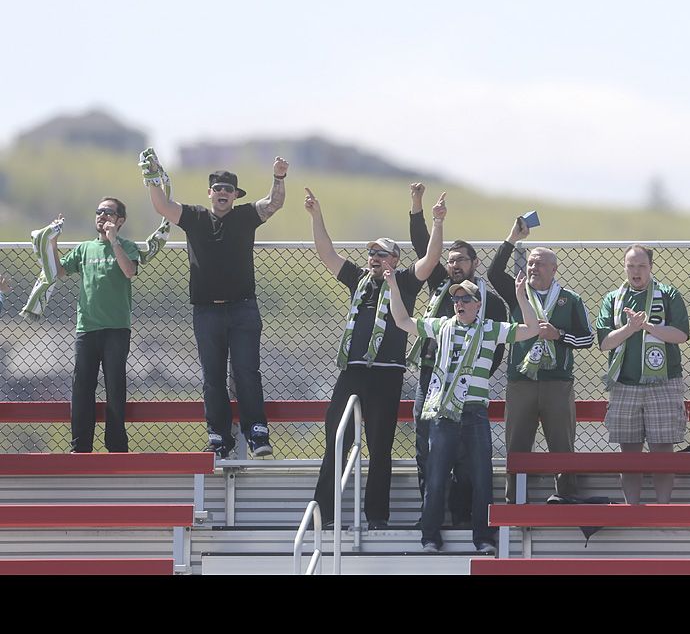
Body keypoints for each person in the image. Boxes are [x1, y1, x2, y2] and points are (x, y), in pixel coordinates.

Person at [305, 186, 445, 530]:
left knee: (380, 448)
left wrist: (437, 223)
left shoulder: (405, 282)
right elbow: (327, 254)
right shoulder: (359, 280)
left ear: (395, 260)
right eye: (372, 253)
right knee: (336, 441)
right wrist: (316, 215)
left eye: (381, 254)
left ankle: (377, 517)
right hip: (352, 371)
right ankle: (324, 515)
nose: (374, 259)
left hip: (387, 374)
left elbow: (430, 260)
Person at [385, 268, 540, 553]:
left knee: (482, 477)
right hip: (444, 413)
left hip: (474, 414)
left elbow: (531, 329)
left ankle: (483, 538)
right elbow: (402, 320)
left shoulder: (491, 329)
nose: (460, 304)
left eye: (467, 299)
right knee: (436, 475)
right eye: (457, 299)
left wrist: (521, 296)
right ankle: (430, 537)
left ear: (478, 304)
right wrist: (394, 286)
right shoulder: (441, 325)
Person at [148, 158, 288, 458]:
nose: (223, 192)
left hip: (243, 309)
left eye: (229, 189)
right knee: (212, 376)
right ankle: (219, 438)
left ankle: (256, 432)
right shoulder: (195, 217)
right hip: (206, 311)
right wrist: (150, 177)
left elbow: (274, 203)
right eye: (217, 188)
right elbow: (162, 205)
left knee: (246, 371)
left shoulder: (246, 216)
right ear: (209, 193)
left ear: (236, 195)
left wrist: (279, 176)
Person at [408, 183, 508, 526]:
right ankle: (429, 516)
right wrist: (419, 207)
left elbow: (498, 348)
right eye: (450, 261)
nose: (453, 266)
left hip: (469, 384)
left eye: (460, 260)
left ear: (475, 263)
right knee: (427, 447)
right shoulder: (440, 286)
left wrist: (475, 372)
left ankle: (464, 515)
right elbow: (423, 246)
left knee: (467, 453)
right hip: (431, 379)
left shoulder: (491, 302)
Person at [488, 217, 594, 504]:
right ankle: (516, 501)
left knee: (562, 444)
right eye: (531, 262)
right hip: (521, 382)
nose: (533, 267)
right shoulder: (518, 293)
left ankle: (566, 498)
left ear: (554, 269)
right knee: (517, 446)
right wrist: (512, 238)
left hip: (557, 383)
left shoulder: (569, 299)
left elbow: (587, 339)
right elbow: (494, 272)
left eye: (539, 263)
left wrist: (559, 335)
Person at [596, 244, 689, 504]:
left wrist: (647, 325)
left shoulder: (668, 294)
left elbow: (680, 334)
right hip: (624, 384)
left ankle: (662, 508)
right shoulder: (613, 298)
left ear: (651, 267)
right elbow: (605, 342)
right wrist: (630, 328)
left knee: (662, 449)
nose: (636, 271)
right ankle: (631, 509)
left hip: (663, 382)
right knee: (629, 453)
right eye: (631, 266)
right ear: (624, 267)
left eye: (641, 266)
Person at [53, 198, 140, 453]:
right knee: (82, 386)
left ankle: (116, 446)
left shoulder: (127, 246)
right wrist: (51, 241)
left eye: (108, 212)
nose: (101, 216)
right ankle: (80, 446)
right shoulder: (84, 249)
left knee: (114, 386)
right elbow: (59, 271)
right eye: (98, 211)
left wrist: (113, 242)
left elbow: (128, 271)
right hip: (87, 328)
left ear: (120, 220)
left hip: (116, 328)